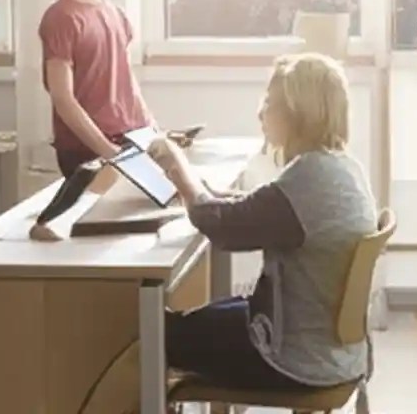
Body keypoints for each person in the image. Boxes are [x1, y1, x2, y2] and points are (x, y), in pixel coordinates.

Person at [146, 53, 377, 391]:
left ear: (298, 113)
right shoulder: (341, 168)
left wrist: (176, 165)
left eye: (270, 103)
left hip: (297, 358)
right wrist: (206, 191)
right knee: (196, 316)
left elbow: (222, 228)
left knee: (155, 332)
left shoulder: (308, 177)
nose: (261, 112)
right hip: (334, 351)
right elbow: (262, 209)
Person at [39, 0, 153, 178]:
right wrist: (108, 151)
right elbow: (63, 98)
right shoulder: (61, 18)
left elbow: (126, 81)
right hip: (86, 149)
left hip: (128, 138)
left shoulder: (117, 13)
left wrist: (152, 131)